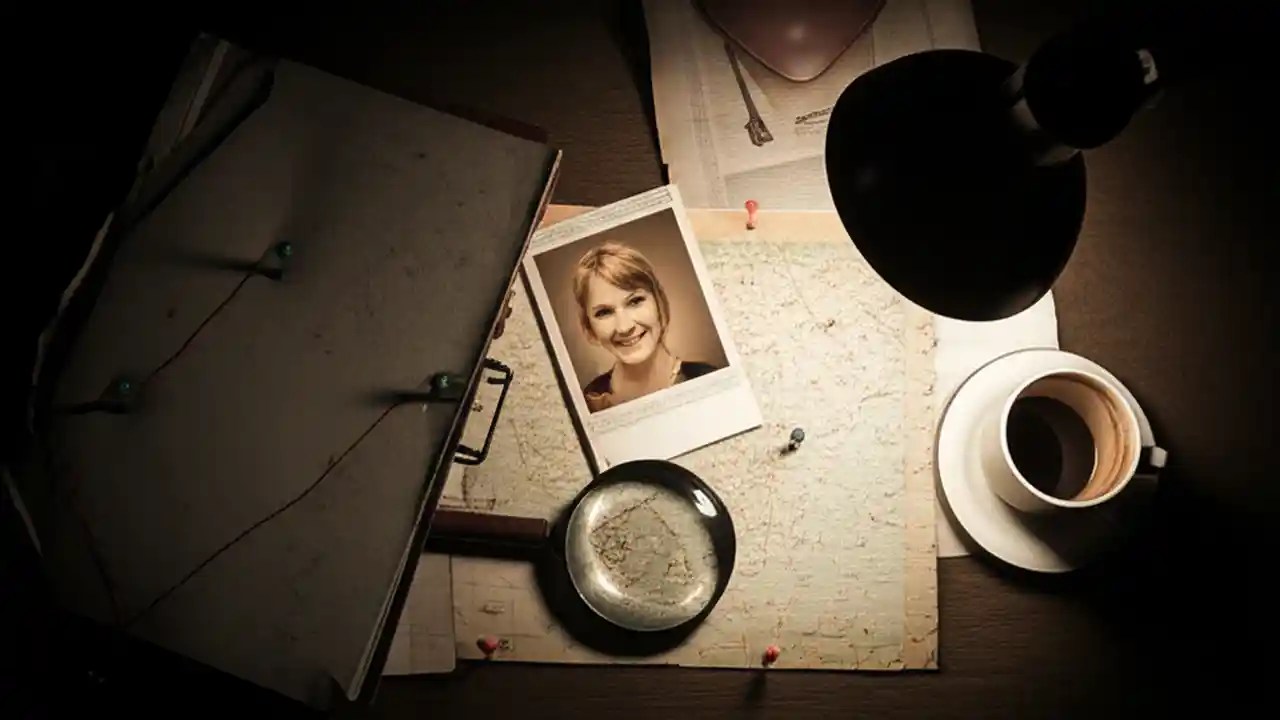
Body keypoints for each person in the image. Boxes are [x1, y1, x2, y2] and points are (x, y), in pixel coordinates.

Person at [572, 242, 720, 412]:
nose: (624, 327)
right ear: (589, 329)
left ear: (660, 303)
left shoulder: (708, 379)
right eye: (604, 312)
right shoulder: (586, 403)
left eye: (635, 301)